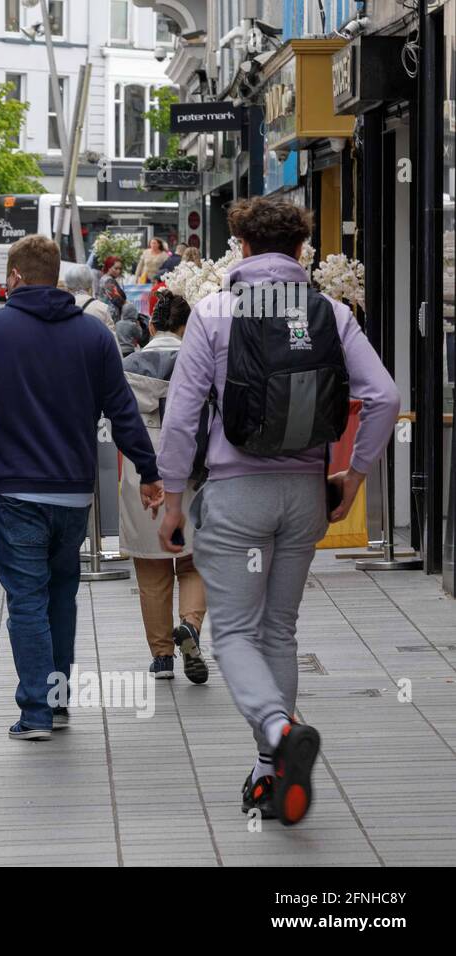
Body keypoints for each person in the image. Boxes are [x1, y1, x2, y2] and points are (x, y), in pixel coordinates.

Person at [156, 197, 400, 825]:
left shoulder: (213, 312)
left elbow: (183, 417)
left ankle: (278, 730)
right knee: (279, 631)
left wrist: (172, 498)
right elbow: (384, 394)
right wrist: (357, 472)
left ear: (240, 248)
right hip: (304, 497)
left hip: (237, 495)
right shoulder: (332, 313)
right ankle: (271, 775)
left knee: (234, 632)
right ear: (300, 252)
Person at [0, 235, 163, 742]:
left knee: (26, 600)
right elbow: (124, 412)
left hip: (17, 490)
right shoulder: (94, 336)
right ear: (56, 274)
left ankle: (37, 711)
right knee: (61, 594)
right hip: (73, 494)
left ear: (13, 277)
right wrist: (150, 473)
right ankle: (58, 703)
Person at [119, 290, 208, 683]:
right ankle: (189, 625)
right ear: (188, 326)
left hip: (144, 469)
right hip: (191, 465)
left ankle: (161, 656)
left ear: (151, 326)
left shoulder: (127, 367)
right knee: (193, 561)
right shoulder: (199, 362)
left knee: (151, 568)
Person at [62, 264, 115, 336]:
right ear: (90, 284)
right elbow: (112, 341)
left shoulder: (60, 306)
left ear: (67, 285)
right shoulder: (102, 308)